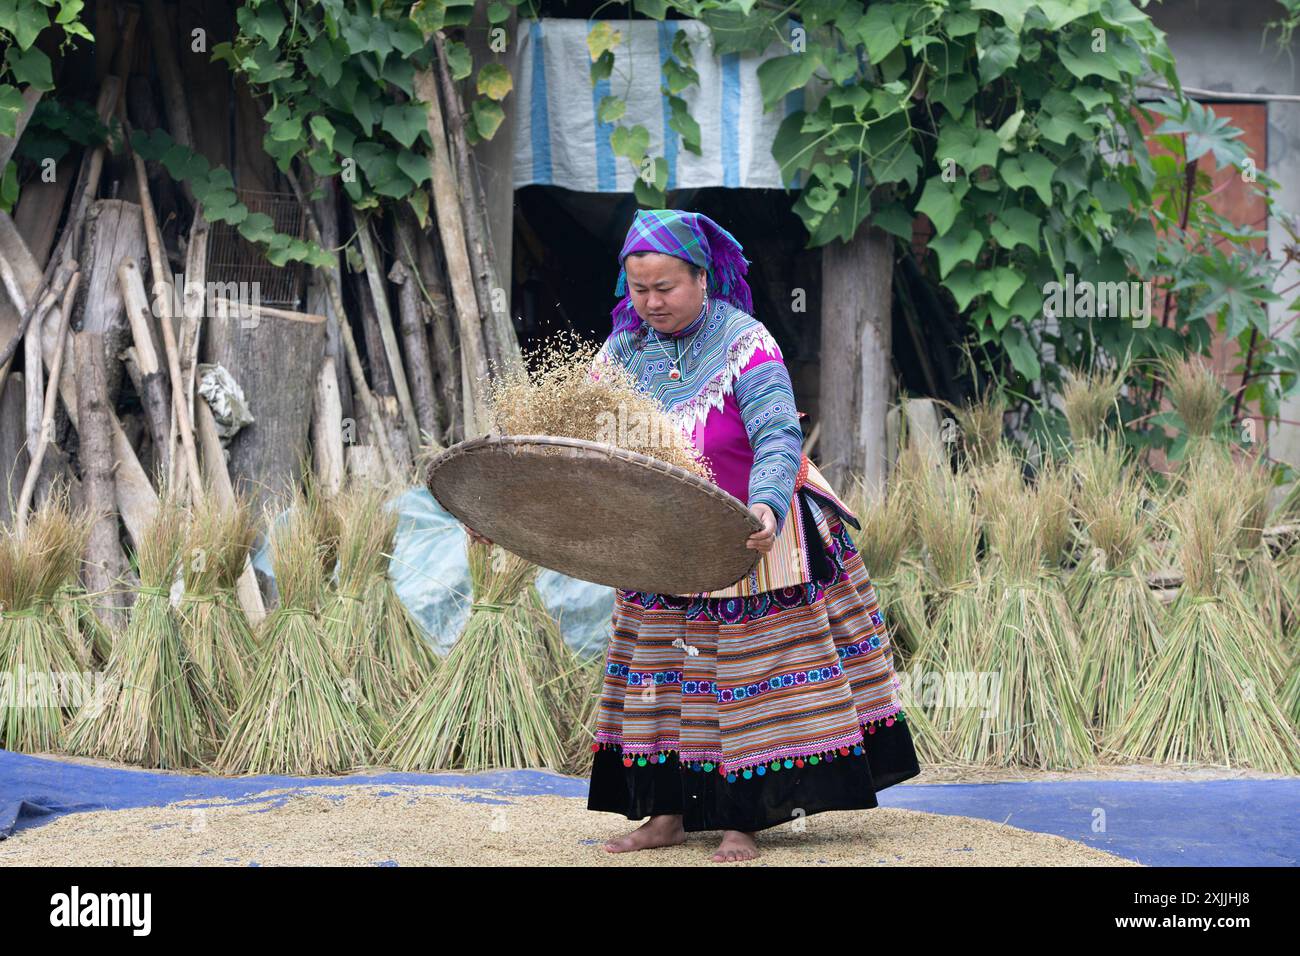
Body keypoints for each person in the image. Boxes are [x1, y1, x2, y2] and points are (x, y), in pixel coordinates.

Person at [466, 208, 920, 863]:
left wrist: (763, 506)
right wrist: (501, 512)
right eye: (639, 288)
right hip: (660, 545)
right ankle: (665, 814)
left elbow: (777, 435)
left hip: (753, 536)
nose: (650, 302)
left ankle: (745, 821)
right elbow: (572, 456)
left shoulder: (747, 341)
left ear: (702, 280)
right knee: (660, 679)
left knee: (743, 683)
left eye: (665, 288)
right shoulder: (620, 355)